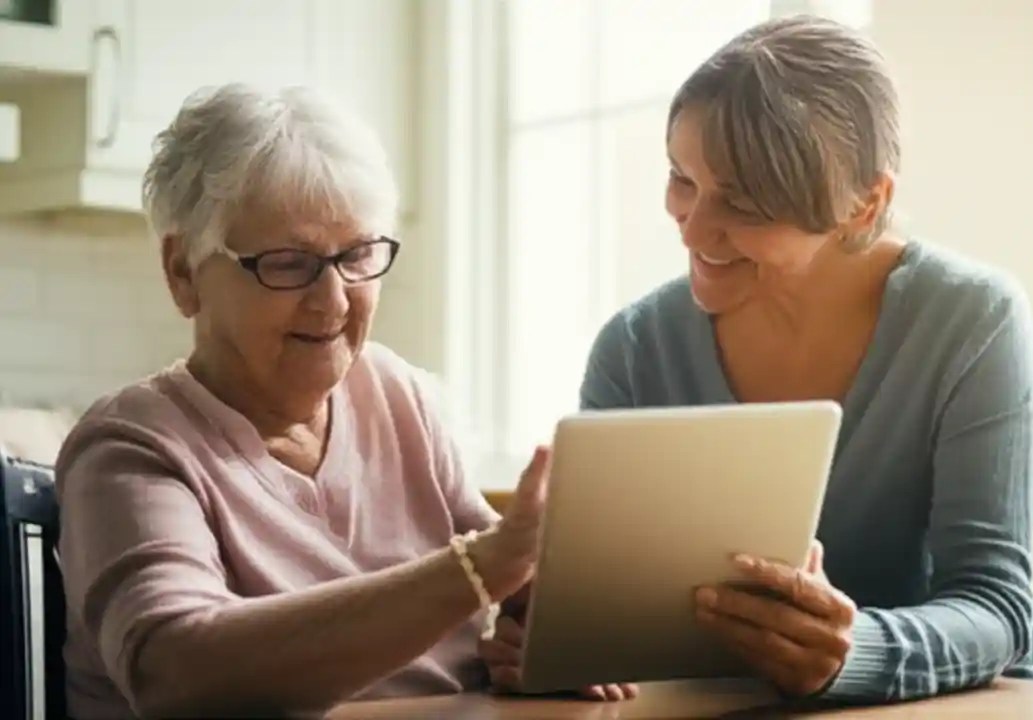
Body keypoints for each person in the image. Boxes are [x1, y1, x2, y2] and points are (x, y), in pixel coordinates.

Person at [488, 14, 1033, 704]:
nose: (693, 228)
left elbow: (995, 607)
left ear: (863, 204)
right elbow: (607, 612)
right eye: (682, 179)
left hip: (963, 705)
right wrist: (555, 643)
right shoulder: (636, 347)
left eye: (745, 203)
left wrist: (852, 653)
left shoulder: (972, 320)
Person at [55, 84, 634, 719]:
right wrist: (479, 571)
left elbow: (516, 582)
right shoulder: (131, 447)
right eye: (287, 263)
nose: (332, 301)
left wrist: (552, 647)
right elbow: (174, 669)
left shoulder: (397, 395)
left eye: (357, 255)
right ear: (183, 271)